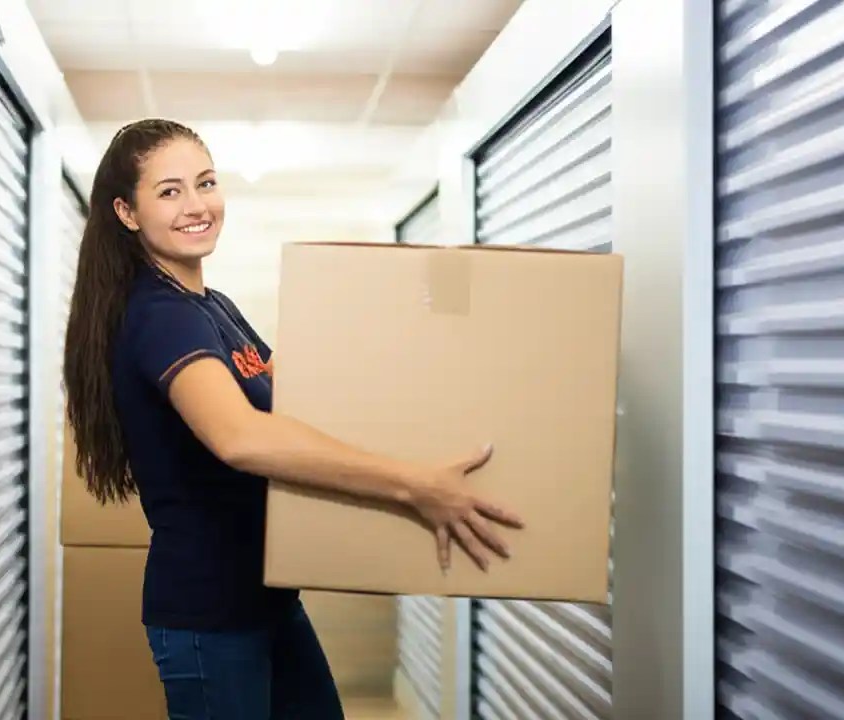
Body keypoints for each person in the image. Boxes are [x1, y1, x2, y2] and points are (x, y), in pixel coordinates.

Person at [62, 118, 523, 720]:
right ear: (127, 212)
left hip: (268, 600)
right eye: (170, 191)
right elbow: (241, 437)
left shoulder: (212, 307)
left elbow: (294, 400)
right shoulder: (157, 315)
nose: (197, 205)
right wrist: (415, 485)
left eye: (205, 183)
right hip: (210, 617)